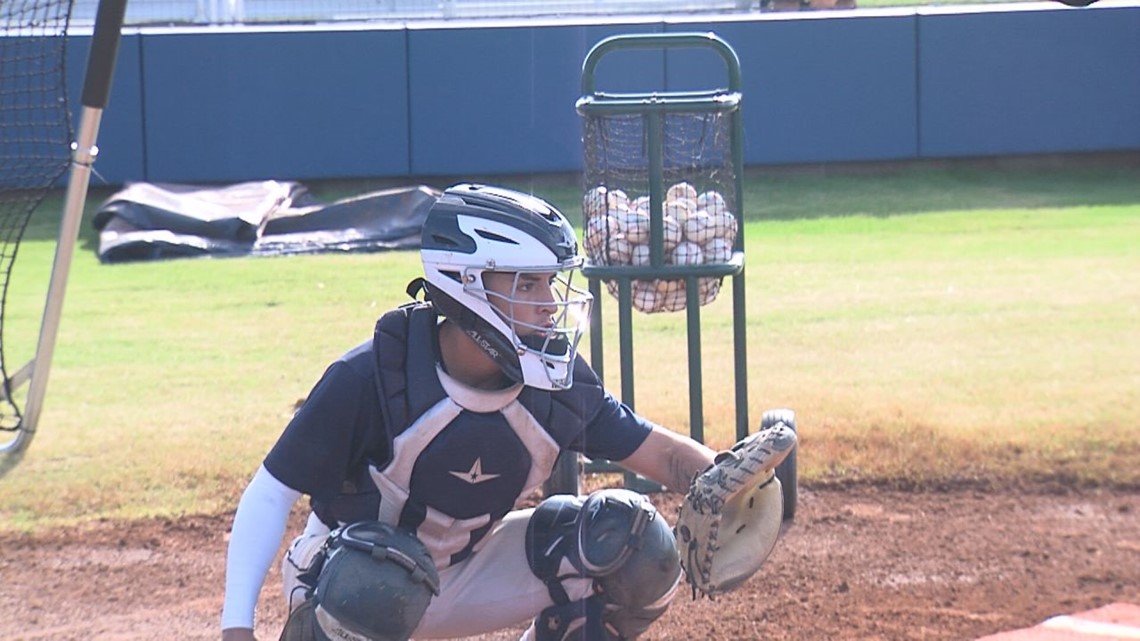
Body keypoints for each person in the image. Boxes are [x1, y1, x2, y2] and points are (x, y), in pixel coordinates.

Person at [220, 183, 718, 641]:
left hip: (466, 571)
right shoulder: (373, 375)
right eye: (527, 286)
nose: (549, 305)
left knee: (633, 544)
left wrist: (730, 482)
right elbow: (271, 492)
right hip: (349, 587)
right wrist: (236, 628)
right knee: (375, 582)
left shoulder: (556, 382)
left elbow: (661, 453)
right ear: (466, 286)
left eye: (550, 283)